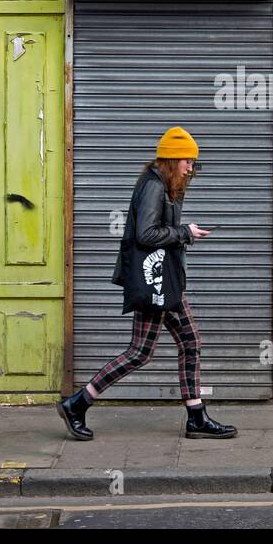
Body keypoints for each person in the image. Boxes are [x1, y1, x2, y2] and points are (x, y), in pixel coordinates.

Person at [56, 126, 238, 441]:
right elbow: (146, 234)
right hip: (156, 281)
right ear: (171, 160)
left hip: (164, 280)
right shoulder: (154, 186)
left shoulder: (164, 184)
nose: (191, 168)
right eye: (187, 162)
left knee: (187, 342)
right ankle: (78, 402)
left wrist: (184, 233)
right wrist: (185, 233)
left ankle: (196, 416)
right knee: (141, 351)